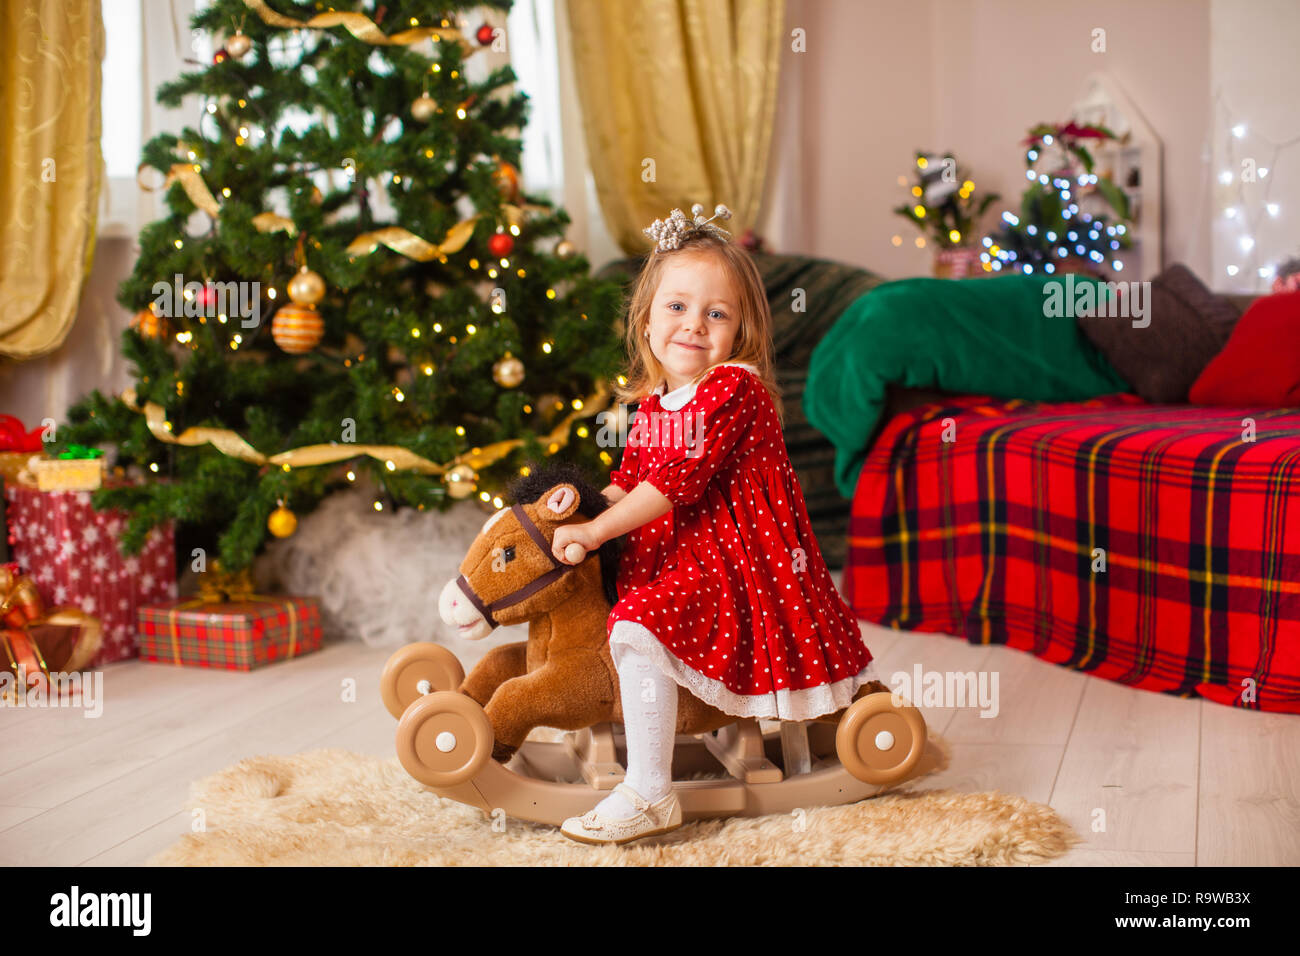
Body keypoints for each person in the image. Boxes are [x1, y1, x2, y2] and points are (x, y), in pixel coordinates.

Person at [550, 204, 881, 845]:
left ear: (741, 330)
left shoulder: (733, 388)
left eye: (716, 313)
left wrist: (596, 535)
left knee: (638, 624)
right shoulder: (652, 404)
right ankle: (649, 735)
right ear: (645, 321)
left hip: (739, 566)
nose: (693, 325)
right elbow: (630, 479)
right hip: (687, 556)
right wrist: (580, 507)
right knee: (618, 609)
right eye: (676, 307)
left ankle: (650, 793)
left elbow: (673, 484)